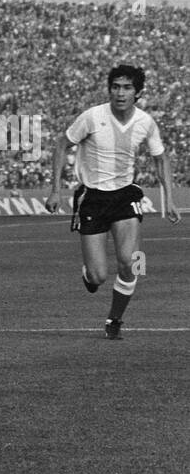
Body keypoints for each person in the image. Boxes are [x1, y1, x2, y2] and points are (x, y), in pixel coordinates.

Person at [46, 64, 179, 339]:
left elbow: (161, 157)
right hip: (93, 197)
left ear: (138, 93)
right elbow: (62, 144)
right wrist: (55, 190)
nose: (120, 93)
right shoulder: (92, 117)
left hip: (125, 195)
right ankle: (89, 275)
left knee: (129, 262)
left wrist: (171, 198)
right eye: (115, 87)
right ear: (109, 90)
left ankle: (115, 319)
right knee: (98, 277)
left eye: (127, 88)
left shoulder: (145, 123)